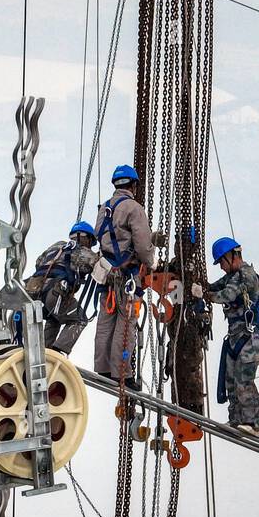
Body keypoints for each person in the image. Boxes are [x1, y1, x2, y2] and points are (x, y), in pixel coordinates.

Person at [193, 237, 259, 437]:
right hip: (236, 336)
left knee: (244, 380)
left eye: (222, 262)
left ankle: (252, 423)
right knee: (231, 380)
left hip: (249, 336)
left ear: (231, 256)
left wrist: (204, 296)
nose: (222, 267)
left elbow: (227, 295)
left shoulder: (246, 275)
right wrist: (200, 286)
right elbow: (214, 286)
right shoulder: (232, 276)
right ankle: (236, 420)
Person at [92, 164, 154, 387]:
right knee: (125, 323)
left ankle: (102, 369)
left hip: (106, 273)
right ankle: (122, 375)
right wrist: (150, 263)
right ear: (133, 184)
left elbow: (101, 234)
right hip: (127, 276)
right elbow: (143, 244)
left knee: (105, 323)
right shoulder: (133, 208)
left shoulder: (104, 208)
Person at [24, 221, 99, 354]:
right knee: (79, 319)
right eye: (91, 242)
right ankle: (59, 352)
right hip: (55, 294)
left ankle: (45, 353)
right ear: (86, 238)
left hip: (35, 292)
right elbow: (101, 270)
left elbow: (38, 262)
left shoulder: (56, 246)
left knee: (54, 319)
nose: (90, 246)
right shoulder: (83, 252)